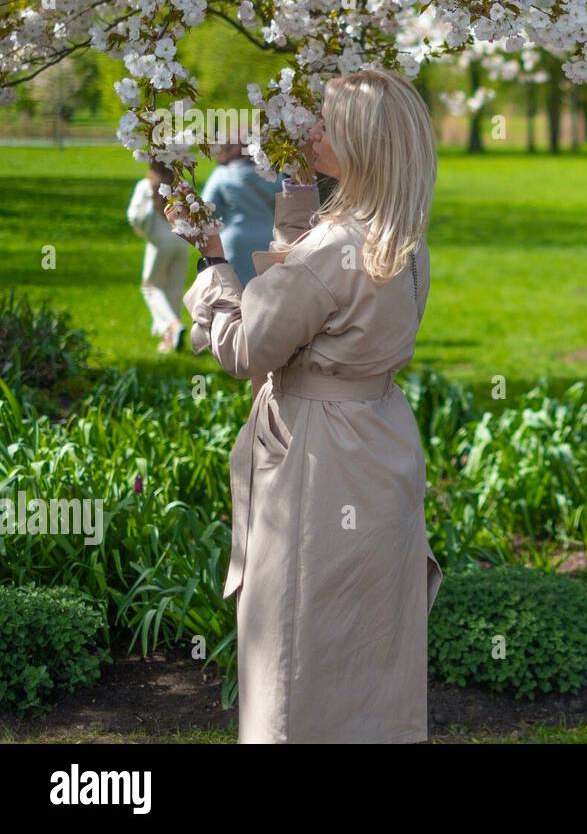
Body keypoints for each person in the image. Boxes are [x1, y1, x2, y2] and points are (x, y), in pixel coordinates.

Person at [166, 68, 443, 744]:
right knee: (365, 635)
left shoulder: (334, 249)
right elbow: (311, 290)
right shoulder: (399, 243)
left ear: (360, 144)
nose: (310, 130)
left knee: (296, 637)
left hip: (315, 459)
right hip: (377, 443)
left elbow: (245, 348)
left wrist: (210, 262)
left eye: (325, 123)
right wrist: (297, 196)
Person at [200, 142, 286, 286]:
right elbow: (287, 202)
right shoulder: (271, 174)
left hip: (235, 240)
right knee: (266, 290)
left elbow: (207, 207)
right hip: (268, 238)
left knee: (236, 290)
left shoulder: (223, 174)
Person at [126, 160, 188, 353]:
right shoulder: (180, 185)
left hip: (159, 242)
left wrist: (143, 231)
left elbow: (135, 216)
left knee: (150, 287)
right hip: (181, 241)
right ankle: (170, 340)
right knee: (174, 288)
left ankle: (172, 325)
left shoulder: (146, 186)